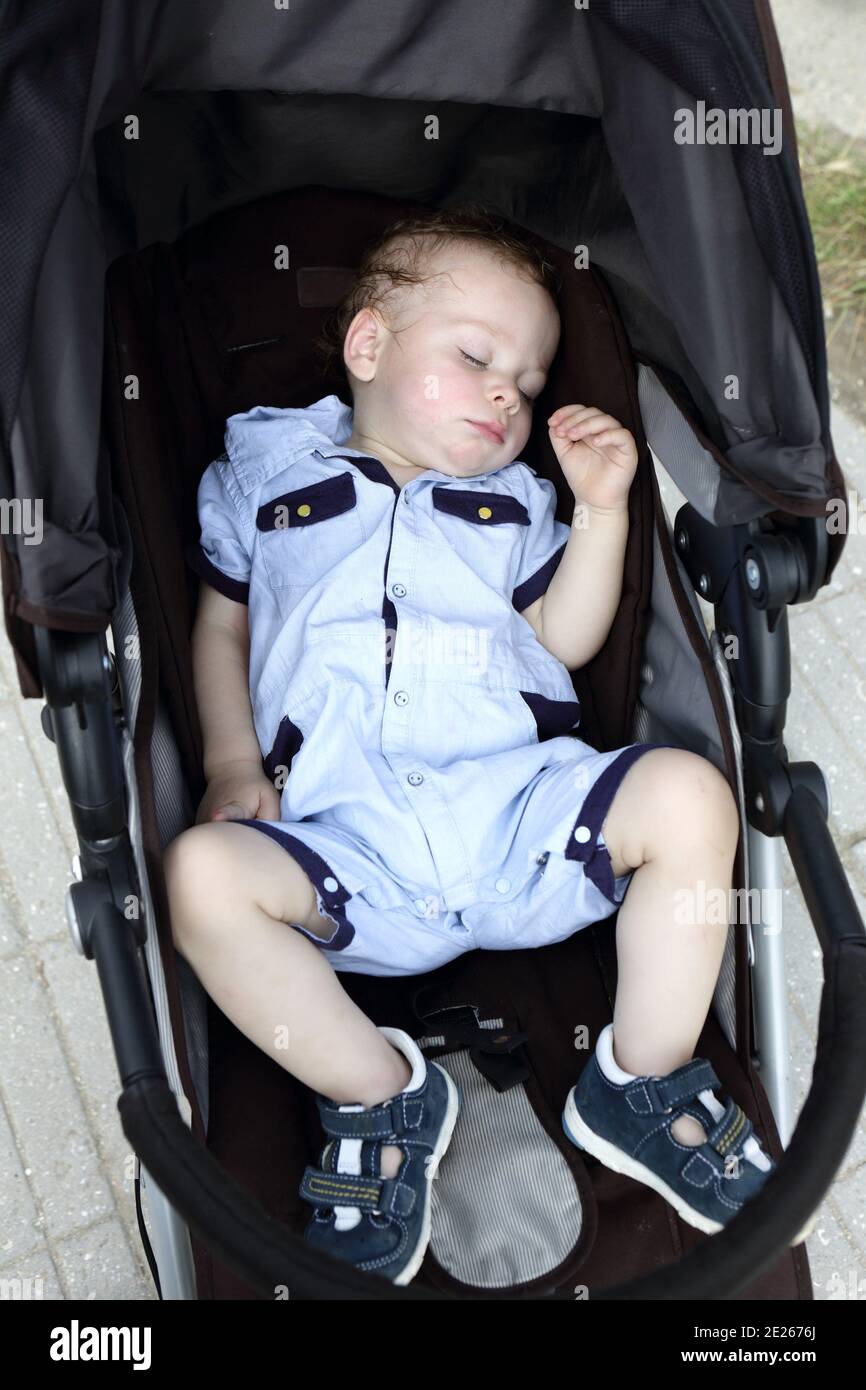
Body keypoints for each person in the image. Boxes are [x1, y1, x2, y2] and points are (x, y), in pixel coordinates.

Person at [164, 206, 807, 1287]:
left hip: (520, 821)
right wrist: (231, 762)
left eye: (529, 375)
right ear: (367, 346)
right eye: (474, 357)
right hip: (345, 849)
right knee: (197, 876)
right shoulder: (266, 479)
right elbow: (221, 623)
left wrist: (600, 511)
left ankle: (640, 1078)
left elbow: (562, 635)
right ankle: (380, 1092)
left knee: (691, 794)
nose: (509, 389)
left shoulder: (507, 508)